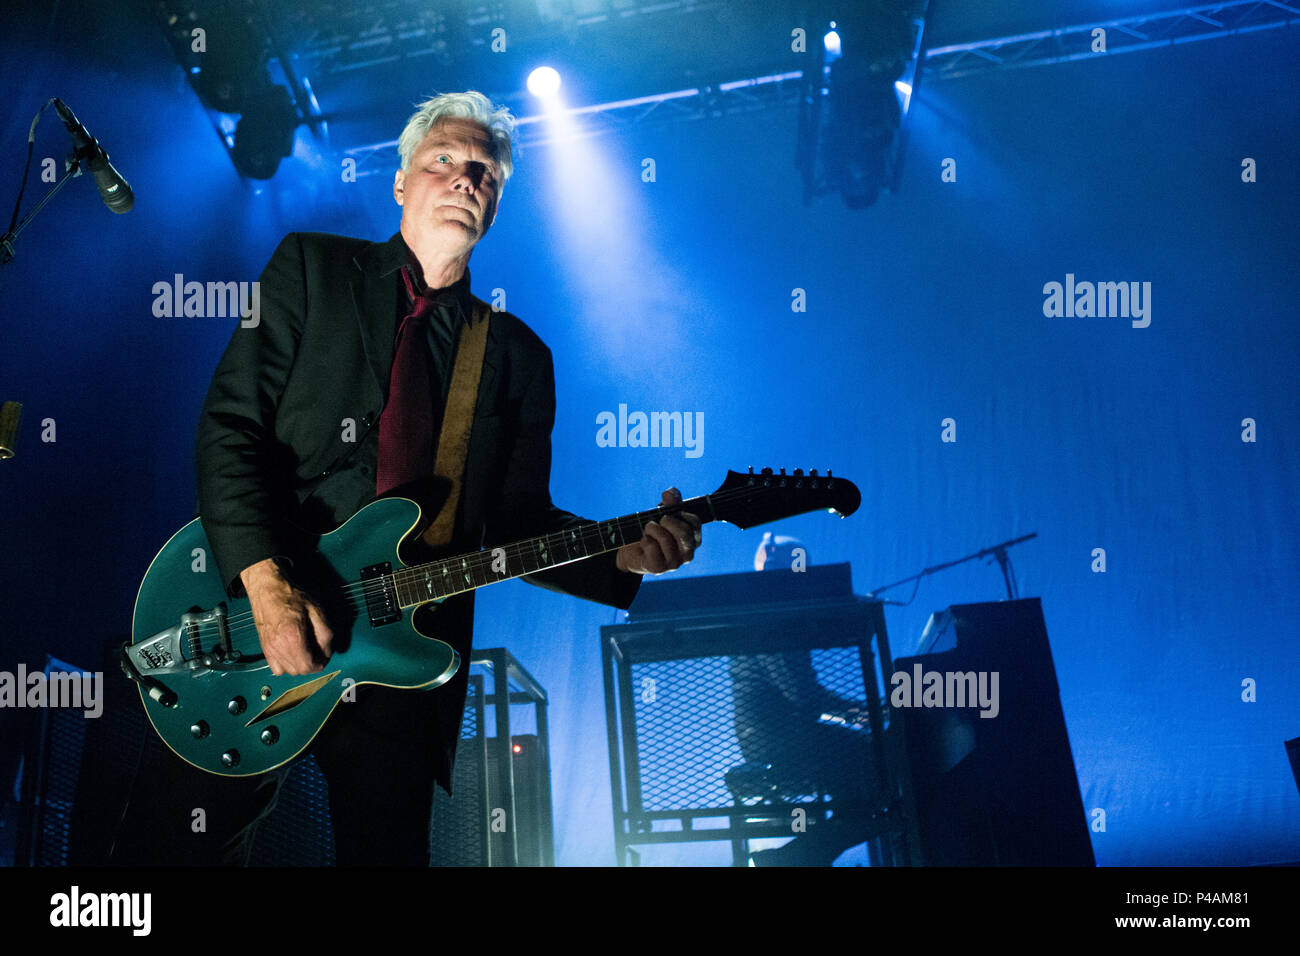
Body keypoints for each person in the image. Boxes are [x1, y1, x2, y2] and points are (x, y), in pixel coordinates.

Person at [187, 90, 703, 865]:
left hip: (405, 652)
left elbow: (518, 523)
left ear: (495, 206)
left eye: (486, 173)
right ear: (401, 183)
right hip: (259, 618)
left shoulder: (518, 358)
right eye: (445, 161)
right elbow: (231, 428)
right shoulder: (310, 268)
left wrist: (622, 554)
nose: (468, 178)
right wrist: (265, 587)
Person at [734, 533, 883, 866]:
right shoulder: (774, 618)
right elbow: (802, 695)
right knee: (874, 767)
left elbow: (801, 694)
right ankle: (790, 860)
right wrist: (854, 712)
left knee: (861, 789)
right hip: (780, 739)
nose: (807, 581)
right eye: (802, 571)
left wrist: (851, 712)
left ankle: (793, 859)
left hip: (770, 737)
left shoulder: (765, 614)